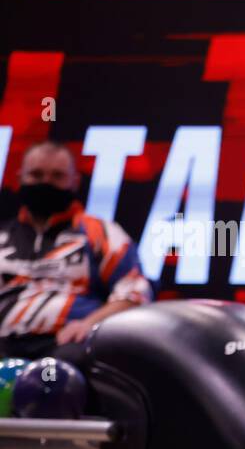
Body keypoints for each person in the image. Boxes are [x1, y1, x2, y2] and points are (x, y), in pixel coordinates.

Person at [0, 140, 152, 362]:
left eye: (57, 176)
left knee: (57, 375)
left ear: (75, 181)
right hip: (5, 345)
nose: (46, 183)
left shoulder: (100, 233)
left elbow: (135, 293)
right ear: (19, 178)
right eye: (37, 175)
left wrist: (89, 325)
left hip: (66, 346)